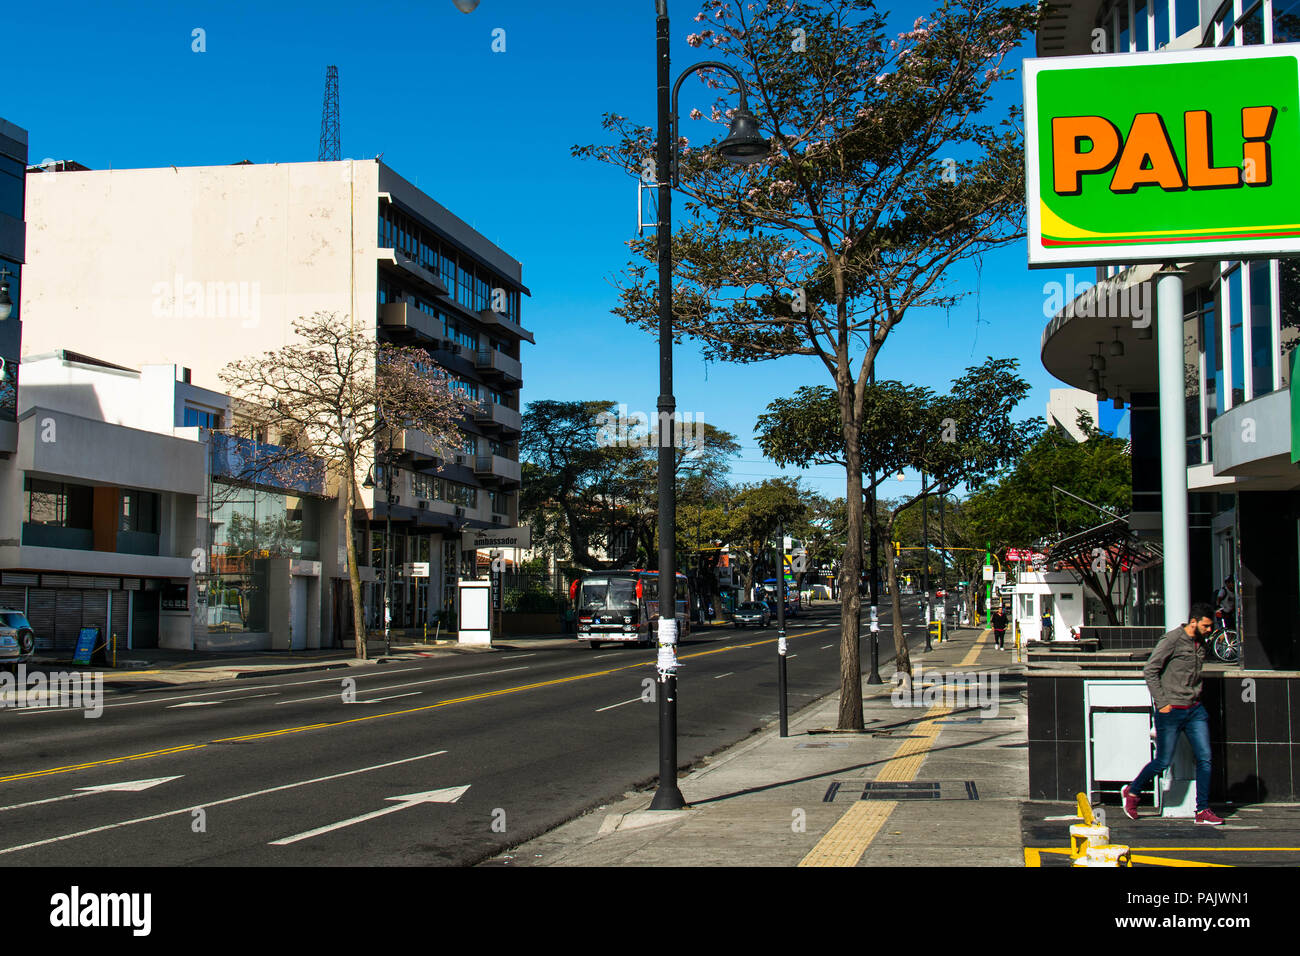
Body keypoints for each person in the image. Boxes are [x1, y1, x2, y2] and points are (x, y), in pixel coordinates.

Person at [1122, 603, 1223, 825]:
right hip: (1171, 709)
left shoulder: (1201, 642)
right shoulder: (1172, 640)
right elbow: (1150, 669)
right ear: (1193, 622)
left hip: (1194, 708)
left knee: (1205, 758)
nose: (1209, 630)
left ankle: (1202, 811)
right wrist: (1162, 702)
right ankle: (1132, 792)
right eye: (1206, 626)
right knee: (1163, 761)